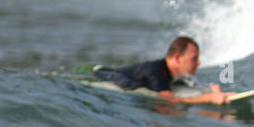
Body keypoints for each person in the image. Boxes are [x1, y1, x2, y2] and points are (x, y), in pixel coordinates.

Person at [94, 36, 232, 105]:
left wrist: (214, 92)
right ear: (177, 58)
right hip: (106, 76)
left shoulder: (176, 75)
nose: (198, 63)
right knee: (128, 84)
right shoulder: (156, 71)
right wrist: (210, 98)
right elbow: (170, 99)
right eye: (194, 59)